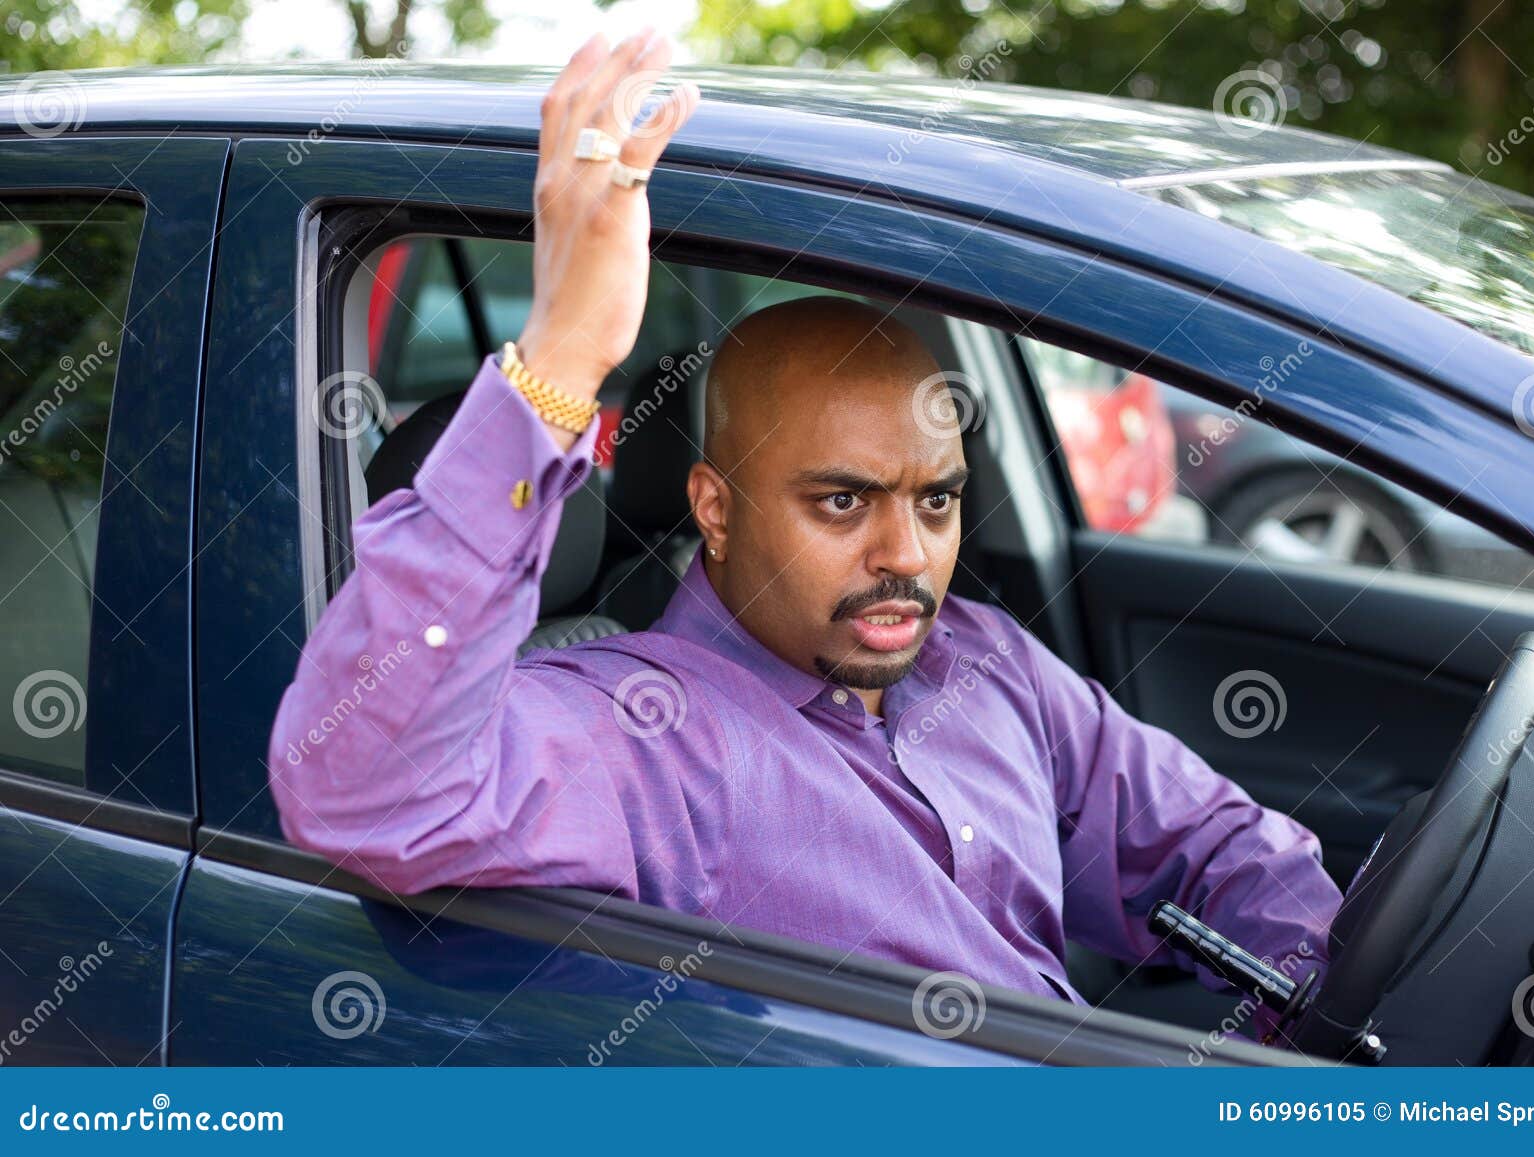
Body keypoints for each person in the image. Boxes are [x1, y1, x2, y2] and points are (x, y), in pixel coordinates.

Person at [268, 28, 1342, 1018]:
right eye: (842, 501)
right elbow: (368, 794)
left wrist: (1320, 1009)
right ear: (715, 508)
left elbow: (1213, 846)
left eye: (935, 499)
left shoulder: (985, 660)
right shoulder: (649, 738)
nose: (906, 555)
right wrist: (562, 357)